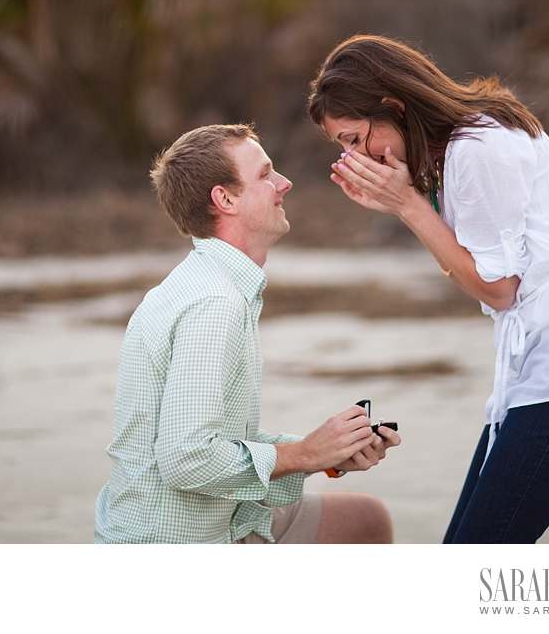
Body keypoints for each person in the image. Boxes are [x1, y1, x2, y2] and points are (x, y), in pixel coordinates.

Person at [306, 35, 549, 544]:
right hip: (546, 357)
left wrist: (408, 205)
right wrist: (406, 198)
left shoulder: (477, 146)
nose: (355, 156)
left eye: (355, 138)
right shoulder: (455, 148)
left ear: (394, 106)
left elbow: (498, 290)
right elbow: (481, 268)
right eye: (343, 147)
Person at [93, 123, 401, 544]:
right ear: (226, 199)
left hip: (215, 519)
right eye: (266, 174)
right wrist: (305, 453)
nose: (284, 183)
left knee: (364, 519)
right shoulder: (214, 303)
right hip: (178, 543)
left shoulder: (207, 283)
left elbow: (216, 444)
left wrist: (327, 454)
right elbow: (186, 459)